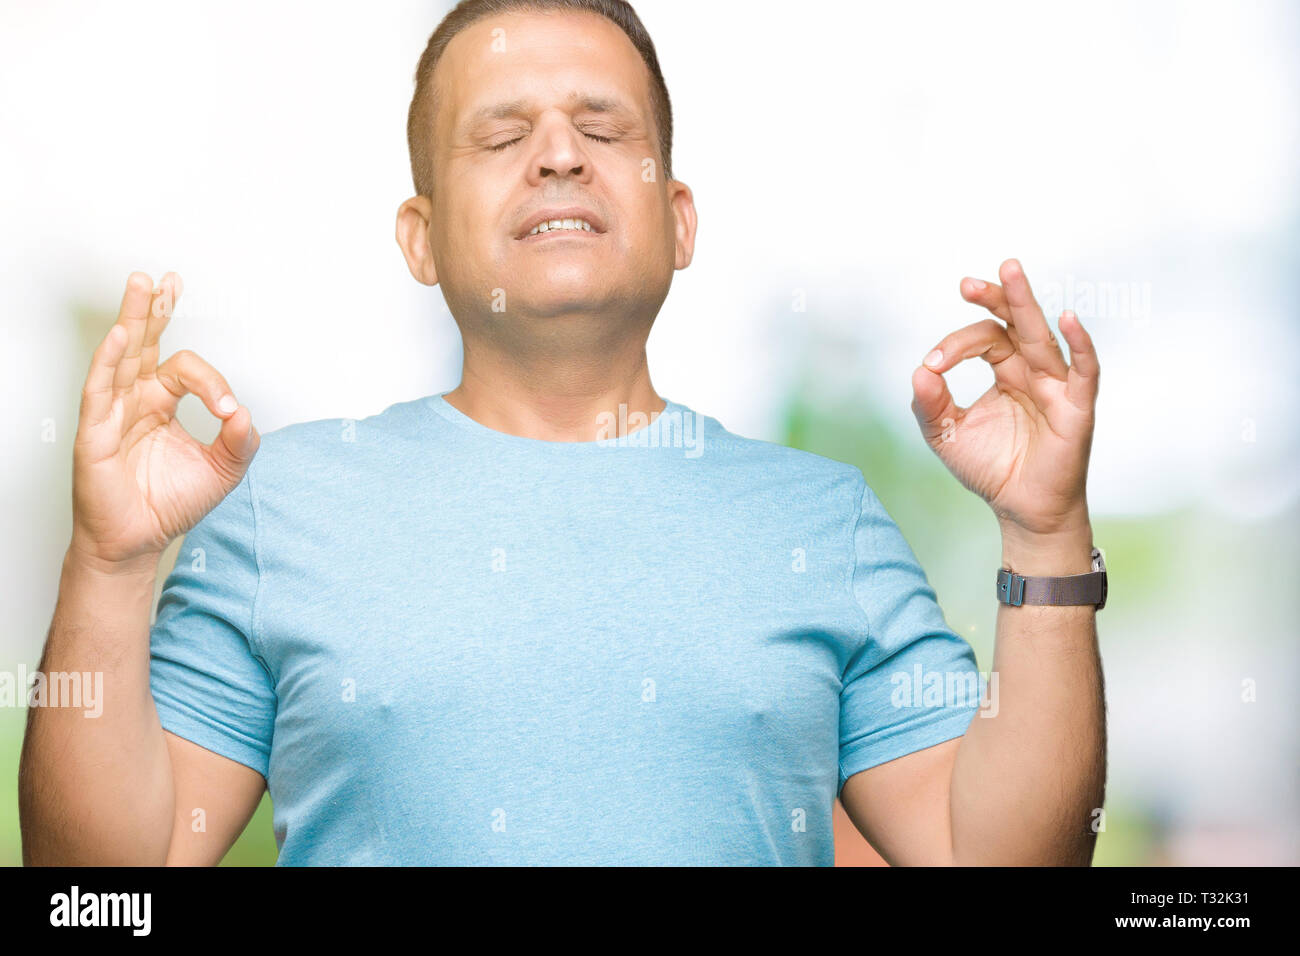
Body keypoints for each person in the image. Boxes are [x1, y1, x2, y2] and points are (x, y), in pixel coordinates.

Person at [19, 0, 1105, 866]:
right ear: (422, 237)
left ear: (678, 222)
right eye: (500, 133)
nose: (556, 156)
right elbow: (103, 890)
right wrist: (109, 561)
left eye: (602, 128)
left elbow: (997, 858)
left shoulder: (823, 518)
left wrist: (1048, 535)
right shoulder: (278, 502)